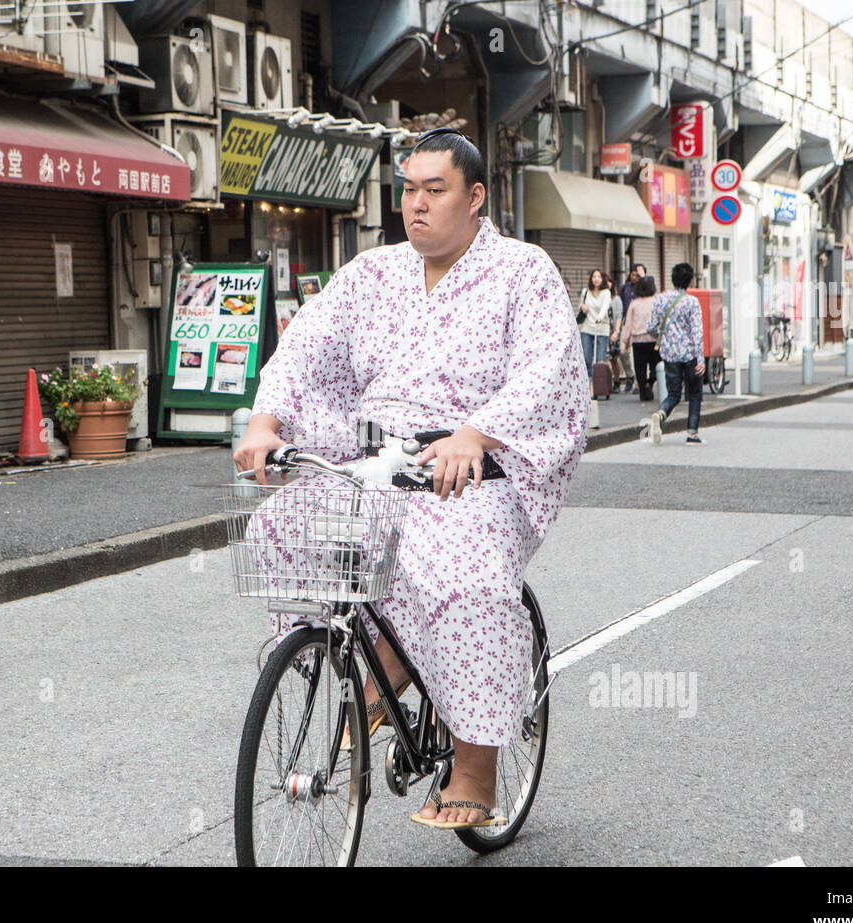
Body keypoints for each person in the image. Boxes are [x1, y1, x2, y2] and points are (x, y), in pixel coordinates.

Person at [233, 129, 590, 828]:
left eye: (436, 190)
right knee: (279, 524)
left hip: (476, 474)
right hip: (377, 465)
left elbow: (549, 369)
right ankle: (361, 657)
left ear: (475, 196)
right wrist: (265, 421)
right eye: (408, 190)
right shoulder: (370, 274)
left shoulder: (523, 271)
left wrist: (476, 433)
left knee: (467, 583)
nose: (416, 205)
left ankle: (476, 765)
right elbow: (306, 345)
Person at [647, 262, 704, 444]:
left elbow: (651, 327)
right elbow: (697, 332)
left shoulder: (661, 299)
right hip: (689, 354)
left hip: (669, 354)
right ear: (690, 281)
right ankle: (692, 433)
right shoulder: (692, 302)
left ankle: (660, 413)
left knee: (673, 394)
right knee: (694, 393)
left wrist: (662, 337)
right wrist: (701, 358)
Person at [621, 275, 660, 401]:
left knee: (640, 368)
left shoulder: (634, 304)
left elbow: (628, 324)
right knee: (656, 365)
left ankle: (643, 392)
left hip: (638, 341)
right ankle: (651, 381)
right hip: (654, 339)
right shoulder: (656, 301)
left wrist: (625, 341)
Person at [579, 268, 611, 377]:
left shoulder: (606, 292)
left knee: (599, 360)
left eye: (599, 277)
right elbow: (581, 305)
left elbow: (605, 306)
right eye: (594, 277)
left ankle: (598, 384)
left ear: (602, 279)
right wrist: (583, 307)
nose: (596, 279)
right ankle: (588, 384)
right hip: (587, 327)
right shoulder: (585, 291)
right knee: (587, 358)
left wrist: (600, 317)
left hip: (601, 327)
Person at [607, 273, 635, 392]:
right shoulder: (602, 297)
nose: (607, 284)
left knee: (623, 354)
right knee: (612, 358)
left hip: (617, 329)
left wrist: (616, 331)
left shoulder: (616, 299)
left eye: (609, 281)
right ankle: (616, 381)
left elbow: (619, 315)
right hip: (605, 330)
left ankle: (630, 376)